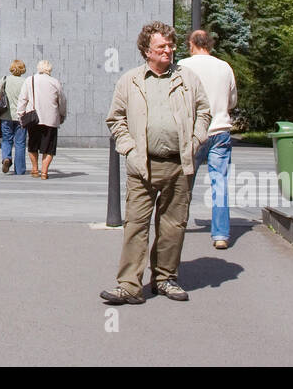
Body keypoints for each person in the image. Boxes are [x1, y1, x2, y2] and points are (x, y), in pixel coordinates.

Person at [101, 21, 211, 305]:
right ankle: (129, 286)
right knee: (136, 224)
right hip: (142, 166)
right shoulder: (130, 80)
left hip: (179, 164)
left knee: (173, 225)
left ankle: (164, 279)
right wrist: (130, 150)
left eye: (171, 45)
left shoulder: (188, 78)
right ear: (146, 50)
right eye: (162, 46)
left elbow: (204, 112)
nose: (168, 50)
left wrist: (196, 141)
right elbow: (116, 119)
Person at [179, 29, 238, 250]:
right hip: (220, 131)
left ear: (192, 44)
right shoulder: (224, 67)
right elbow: (232, 101)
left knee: (184, 182)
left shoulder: (184, 66)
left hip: (193, 132)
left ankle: (179, 223)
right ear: (210, 45)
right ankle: (221, 234)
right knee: (219, 183)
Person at [15, 60, 67, 179]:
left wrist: (20, 114)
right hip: (51, 119)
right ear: (49, 69)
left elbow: (23, 98)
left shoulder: (30, 80)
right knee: (49, 147)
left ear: (38, 68)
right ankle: (44, 172)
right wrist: (62, 114)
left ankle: (34, 169)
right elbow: (62, 101)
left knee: (33, 145)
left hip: (34, 119)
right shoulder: (55, 82)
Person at [0, 59, 28, 174]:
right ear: (22, 69)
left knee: (6, 140)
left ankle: (6, 158)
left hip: (6, 116)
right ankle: (20, 169)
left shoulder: (5, 79)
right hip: (22, 116)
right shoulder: (26, 82)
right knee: (20, 143)